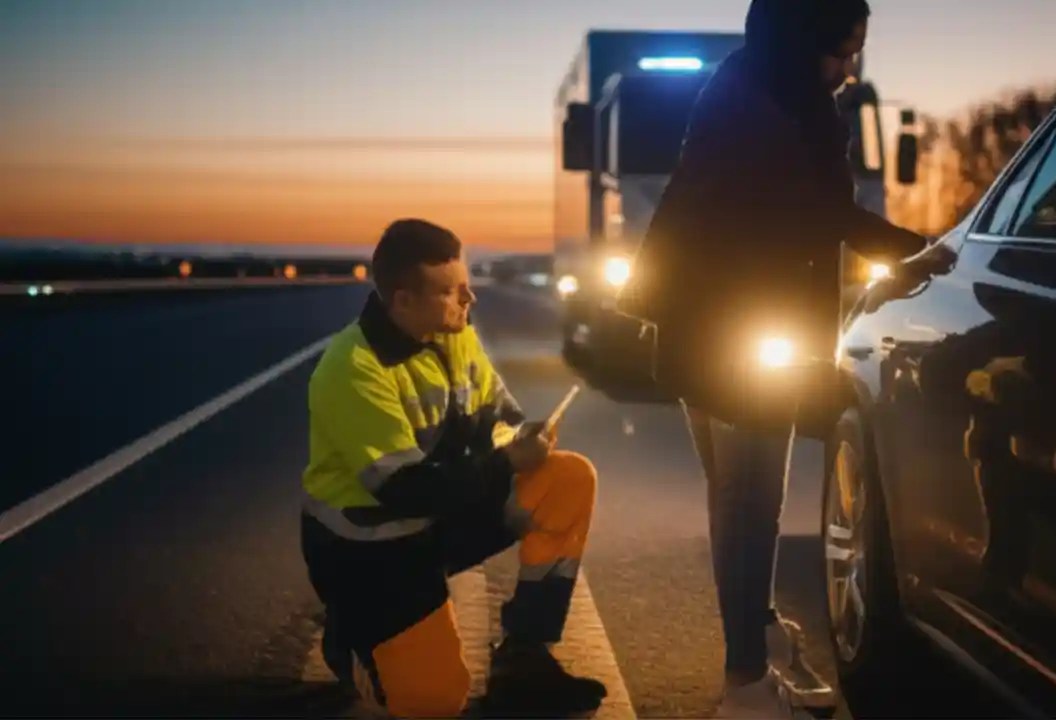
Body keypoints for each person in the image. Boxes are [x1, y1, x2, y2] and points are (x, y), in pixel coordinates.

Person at [618, 0, 929, 716]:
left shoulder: (745, 84)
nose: (849, 70)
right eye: (840, 52)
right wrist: (917, 250)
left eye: (857, 53)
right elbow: (810, 211)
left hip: (704, 319)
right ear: (799, 43)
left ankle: (755, 646)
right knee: (751, 503)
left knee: (733, 499)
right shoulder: (776, 110)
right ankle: (746, 685)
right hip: (738, 324)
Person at [300, 218, 607, 718]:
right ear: (403, 300)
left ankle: (524, 658)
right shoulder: (351, 369)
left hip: (440, 518)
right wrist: (507, 461)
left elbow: (498, 417)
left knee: (567, 477)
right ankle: (351, 636)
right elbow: (404, 491)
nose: (470, 300)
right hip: (370, 550)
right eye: (452, 291)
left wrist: (521, 441)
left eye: (465, 286)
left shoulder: (454, 336)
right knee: (434, 702)